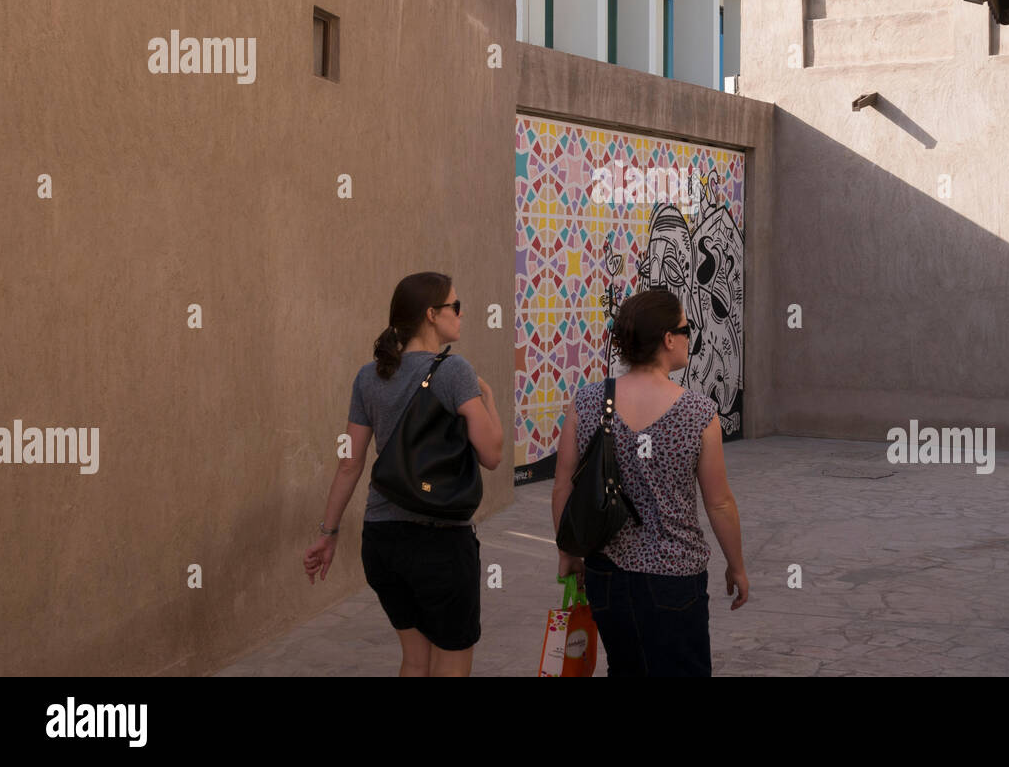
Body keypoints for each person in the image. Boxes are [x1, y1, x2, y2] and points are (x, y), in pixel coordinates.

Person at [303, 271, 503, 677]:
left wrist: (328, 533)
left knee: (414, 659)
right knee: (450, 658)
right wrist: (491, 401)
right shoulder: (454, 371)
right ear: (432, 314)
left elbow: (350, 462)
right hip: (441, 541)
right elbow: (492, 454)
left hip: (383, 541)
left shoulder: (368, 376)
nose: (462, 315)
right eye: (456, 307)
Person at [551, 288, 749, 676]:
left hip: (606, 574)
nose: (690, 337)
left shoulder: (588, 401)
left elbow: (563, 487)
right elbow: (719, 502)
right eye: (685, 328)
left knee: (625, 668)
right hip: (675, 577)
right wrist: (736, 565)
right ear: (667, 339)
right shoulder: (698, 412)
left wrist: (568, 552)